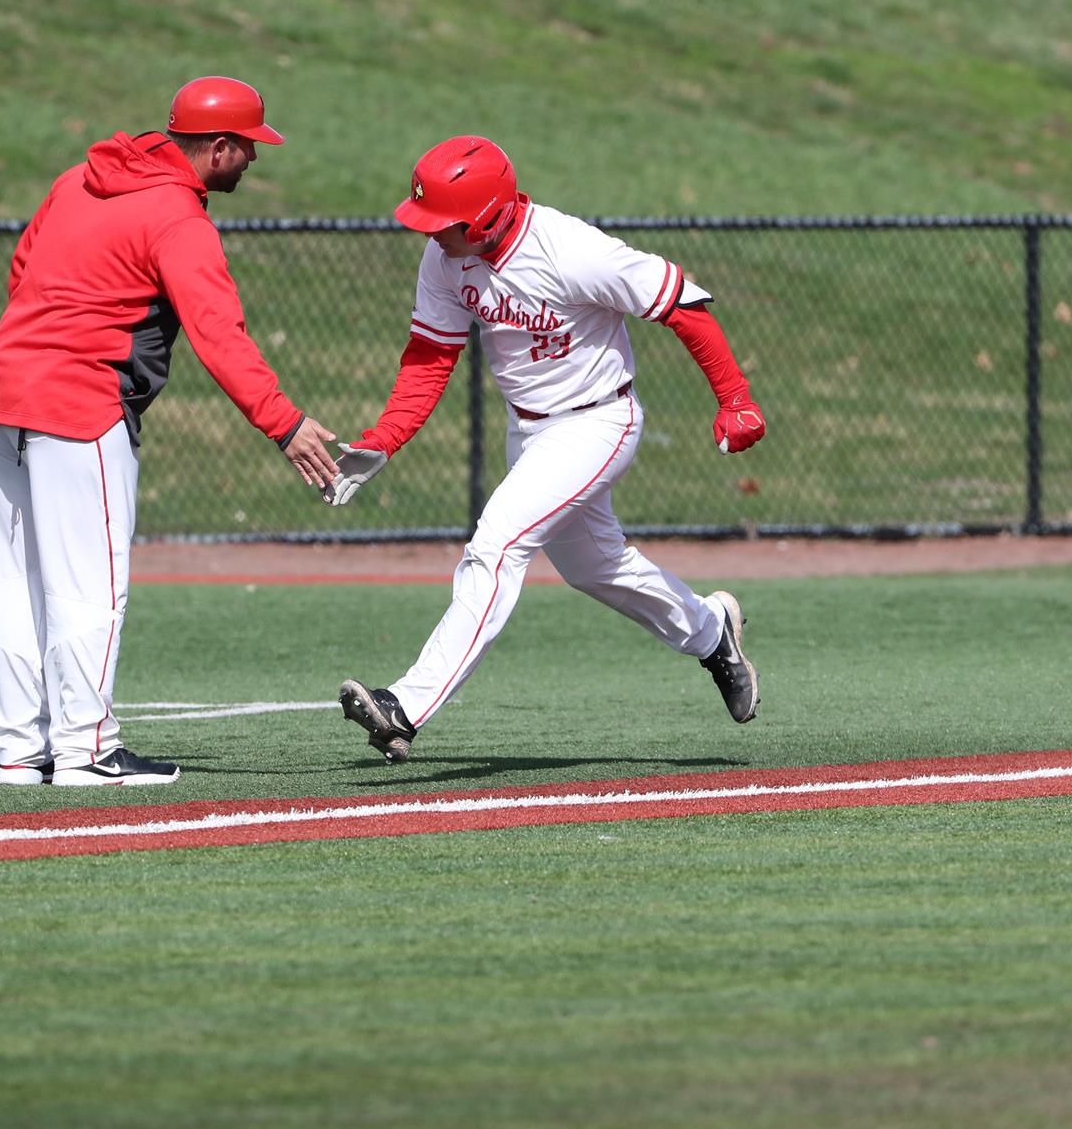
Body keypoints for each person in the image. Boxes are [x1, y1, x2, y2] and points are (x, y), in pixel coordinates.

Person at [328, 135, 767, 762]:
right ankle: (710, 630)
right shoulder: (445, 258)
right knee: (596, 567)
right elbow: (429, 357)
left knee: (498, 543)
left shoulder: (572, 250)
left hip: (598, 420)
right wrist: (385, 439)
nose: (431, 233)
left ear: (486, 216)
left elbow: (682, 304)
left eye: (444, 222)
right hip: (530, 430)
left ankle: (405, 705)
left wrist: (735, 398)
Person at [0, 77, 338, 787]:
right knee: (88, 586)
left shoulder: (77, 179)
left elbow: (22, 271)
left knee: (12, 582)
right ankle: (86, 749)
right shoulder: (177, 218)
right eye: (249, 147)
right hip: (78, 404)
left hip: (0, 389)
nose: (254, 161)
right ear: (218, 146)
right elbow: (219, 335)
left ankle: (21, 749)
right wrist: (284, 424)